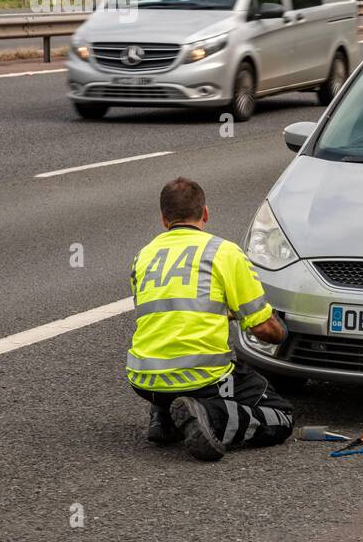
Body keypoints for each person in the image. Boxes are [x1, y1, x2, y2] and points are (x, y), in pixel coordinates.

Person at [126, 177, 294, 461]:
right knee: (281, 416)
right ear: (205, 213)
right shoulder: (223, 252)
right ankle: (210, 416)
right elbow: (263, 328)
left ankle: (164, 415)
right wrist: (284, 334)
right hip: (204, 378)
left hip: (143, 380)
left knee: (171, 348)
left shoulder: (144, 256)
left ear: (163, 219)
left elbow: (165, 313)